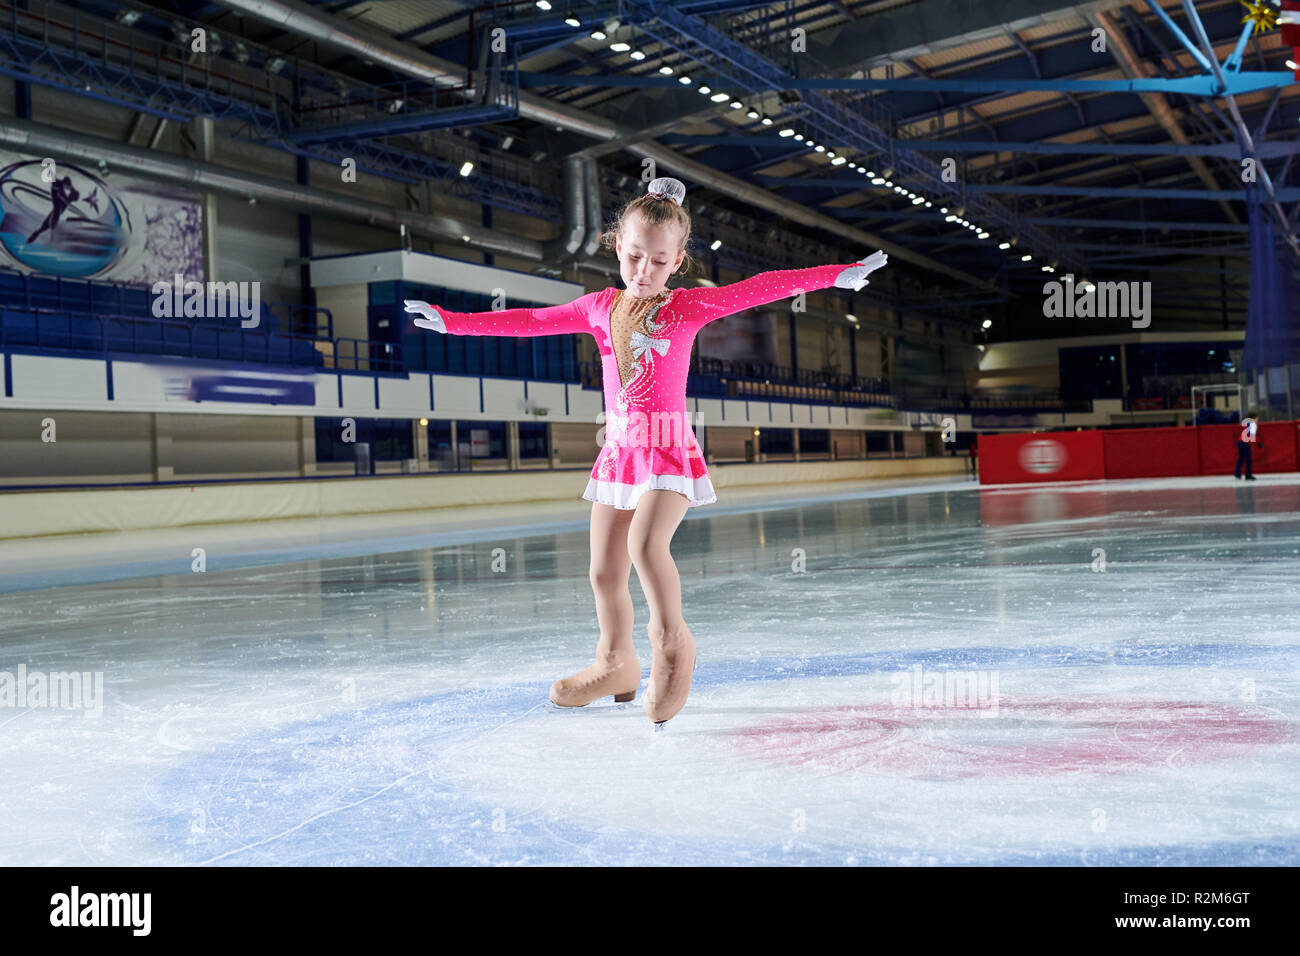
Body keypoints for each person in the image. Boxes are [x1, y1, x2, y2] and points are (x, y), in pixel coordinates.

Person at [404, 177, 888, 727]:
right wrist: (452, 322)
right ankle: (615, 663)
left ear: (677, 261)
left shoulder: (689, 307)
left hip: (666, 446)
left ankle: (672, 645)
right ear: (617, 247)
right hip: (620, 451)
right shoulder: (598, 306)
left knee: (644, 544)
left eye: (658, 262)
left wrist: (836, 276)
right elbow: (530, 322)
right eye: (634, 257)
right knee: (603, 571)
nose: (643, 271)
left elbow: (765, 285)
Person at [1235, 411, 1259, 481]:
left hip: (1240, 442)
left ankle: (1237, 473)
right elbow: (1251, 435)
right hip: (1244, 443)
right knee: (1248, 460)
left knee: (1241, 459)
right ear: (1253, 418)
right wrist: (1257, 443)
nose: (1257, 420)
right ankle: (1248, 475)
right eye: (1257, 418)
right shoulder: (1253, 424)